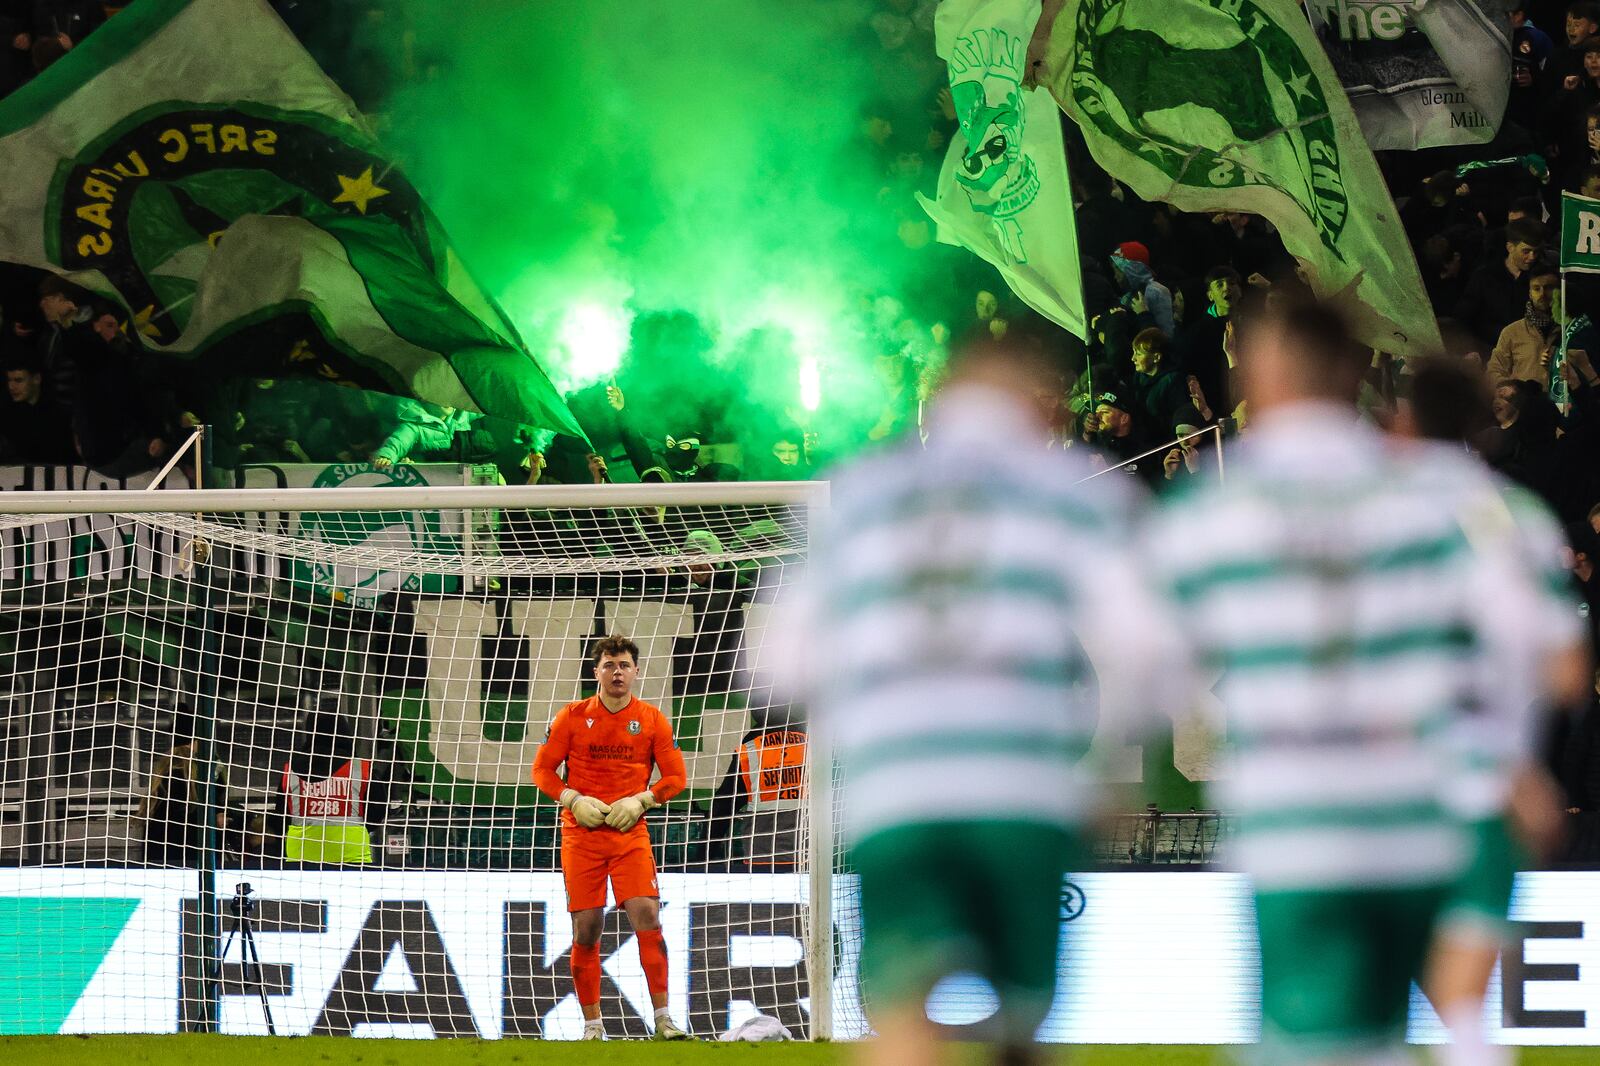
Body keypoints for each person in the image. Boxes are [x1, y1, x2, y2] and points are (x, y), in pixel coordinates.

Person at [1150, 297, 1562, 1066]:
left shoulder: (1214, 502)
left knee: (1318, 1045)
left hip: (1298, 823)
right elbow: (1530, 636)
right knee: (1451, 1019)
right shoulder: (1451, 500)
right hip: (1420, 812)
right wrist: (1513, 751)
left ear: (1263, 375)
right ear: (1353, 377)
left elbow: (1144, 654)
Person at [791, 325, 1176, 1066]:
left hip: (900, 794)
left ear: (938, 402)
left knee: (904, 1003)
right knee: (1023, 1023)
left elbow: (779, 657)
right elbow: (1145, 646)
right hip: (1022, 790)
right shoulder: (1070, 490)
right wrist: (1114, 770)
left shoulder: (866, 490)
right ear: (1038, 408)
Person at [1392, 357, 1590, 1066]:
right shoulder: (1515, 518)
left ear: (1402, 420)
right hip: (1483, 786)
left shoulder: (1365, 513)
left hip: (1371, 788)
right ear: (1485, 426)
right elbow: (1568, 672)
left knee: (1354, 1013)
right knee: (1464, 1013)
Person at [530, 634, 691, 1042]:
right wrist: (571, 796)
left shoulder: (652, 720)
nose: (616, 672)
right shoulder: (570, 716)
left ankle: (664, 1019)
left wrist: (642, 800)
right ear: (596, 671)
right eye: (609, 665)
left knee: (648, 916)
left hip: (629, 834)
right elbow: (542, 771)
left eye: (623, 665)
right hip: (581, 836)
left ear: (636, 672)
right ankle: (592, 1026)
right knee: (587, 928)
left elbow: (677, 778)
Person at [1488, 262, 1561, 386]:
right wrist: (1513, 391)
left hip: (1564, 403)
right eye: (1536, 288)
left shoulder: (1572, 329)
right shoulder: (1512, 332)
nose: (1542, 294)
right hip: (1525, 403)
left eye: (1549, 288)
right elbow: (1494, 371)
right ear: (1529, 293)